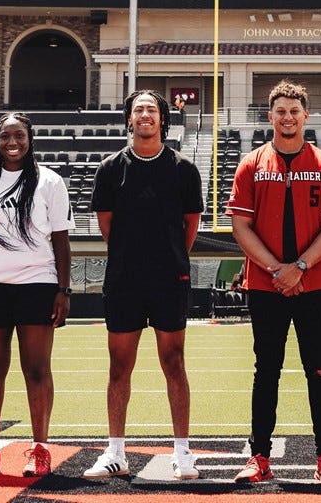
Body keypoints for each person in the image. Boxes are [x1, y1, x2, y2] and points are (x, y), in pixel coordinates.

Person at [227, 80, 321, 484]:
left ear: (306, 116)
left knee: (319, 370)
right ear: (270, 116)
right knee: (267, 371)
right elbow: (240, 226)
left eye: (294, 111)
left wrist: (299, 266)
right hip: (266, 286)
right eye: (280, 111)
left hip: (314, 284)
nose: (287, 117)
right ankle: (259, 456)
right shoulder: (251, 163)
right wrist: (278, 270)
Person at [84, 90, 204, 480]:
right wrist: (132, 257)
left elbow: (190, 226)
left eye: (152, 109)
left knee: (174, 362)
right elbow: (107, 228)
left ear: (162, 119)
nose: (146, 115)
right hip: (124, 279)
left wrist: (167, 259)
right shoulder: (109, 168)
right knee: (119, 365)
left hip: (169, 278)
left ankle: (183, 452)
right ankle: (116, 450)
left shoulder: (184, 168)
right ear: (129, 120)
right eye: (139, 110)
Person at [0, 113, 72, 479]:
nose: (12, 142)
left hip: (37, 284)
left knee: (37, 370)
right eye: (5, 135)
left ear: (30, 139)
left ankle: (40, 449)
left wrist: (63, 290)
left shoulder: (50, 182)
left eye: (19, 135)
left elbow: (61, 239)